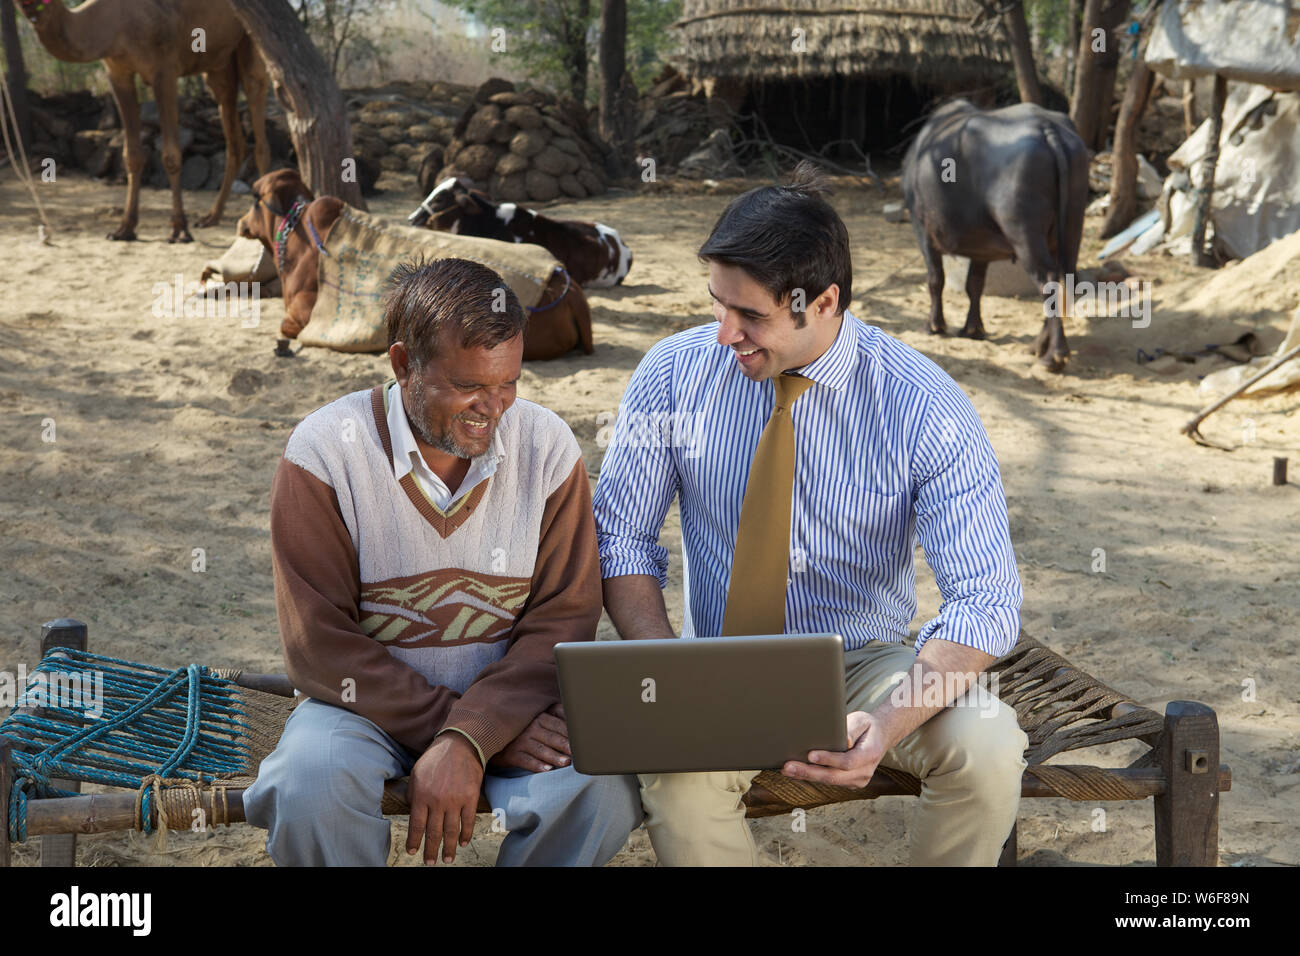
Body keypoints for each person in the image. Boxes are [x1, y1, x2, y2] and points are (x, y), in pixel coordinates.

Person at [592, 162, 1029, 866]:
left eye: (752, 316)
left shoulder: (925, 406)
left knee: (990, 745)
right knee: (678, 788)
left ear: (823, 302)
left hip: (866, 663)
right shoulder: (671, 375)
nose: (724, 334)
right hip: (715, 666)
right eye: (717, 304)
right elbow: (620, 537)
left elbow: (984, 600)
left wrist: (887, 725)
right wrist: (666, 661)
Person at [244, 256, 642, 866]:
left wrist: (476, 733)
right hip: (362, 712)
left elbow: (563, 620)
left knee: (602, 790)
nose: (494, 407)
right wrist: (456, 731)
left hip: (511, 712)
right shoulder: (325, 454)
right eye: (468, 386)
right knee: (306, 784)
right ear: (403, 365)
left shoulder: (548, 447)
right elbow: (319, 646)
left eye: (508, 382)